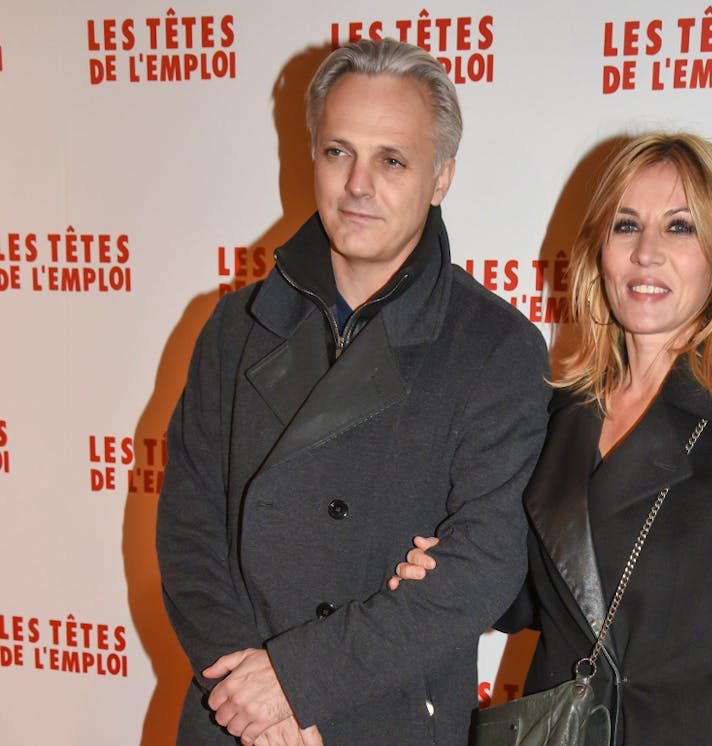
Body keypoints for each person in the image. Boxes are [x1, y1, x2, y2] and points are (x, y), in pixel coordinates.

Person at [155, 38, 550, 745]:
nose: (358, 185)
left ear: (441, 177)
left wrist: (296, 682)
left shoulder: (496, 347)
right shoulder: (235, 327)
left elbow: (485, 562)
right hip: (233, 719)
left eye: (392, 160)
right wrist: (251, 700)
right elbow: (189, 533)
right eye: (338, 152)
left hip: (388, 716)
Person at [392, 133, 712, 745]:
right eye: (626, 226)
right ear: (598, 253)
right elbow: (535, 599)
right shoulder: (555, 410)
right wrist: (452, 565)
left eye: (680, 227)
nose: (647, 253)